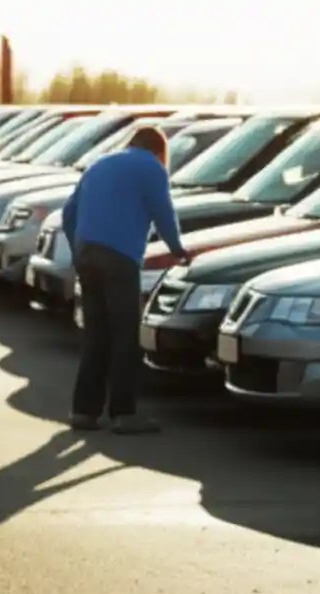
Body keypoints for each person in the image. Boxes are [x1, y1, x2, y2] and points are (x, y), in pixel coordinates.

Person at [62, 126, 190, 434]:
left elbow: (69, 213)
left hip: (87, 254)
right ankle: (123, 413)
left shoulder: (100, 164)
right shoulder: (152, 168)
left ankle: (83, 411)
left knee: (96, 334)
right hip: (119, 258)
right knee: (124, 335)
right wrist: (177, 251)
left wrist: (78, 251)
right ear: (160, 152)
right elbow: (163, 212)